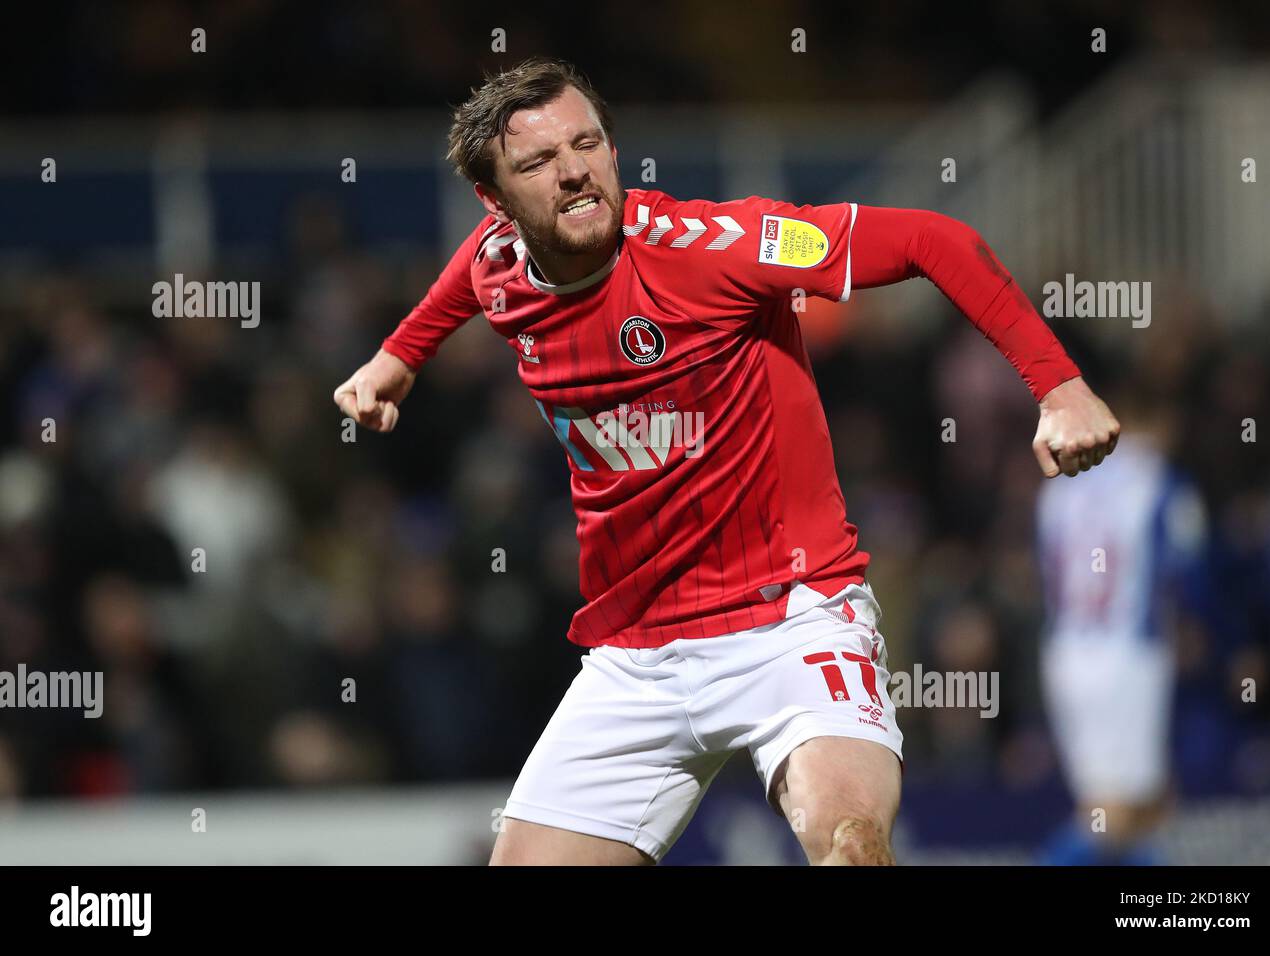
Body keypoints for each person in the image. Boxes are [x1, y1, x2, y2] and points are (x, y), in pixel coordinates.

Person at [333, 57, 1120, 865]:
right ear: (497, 202)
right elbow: (469, 276)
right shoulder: (500, 264)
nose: (573, 172)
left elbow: (931, 238)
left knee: (849, 845)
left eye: (588, 143)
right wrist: (399, 357)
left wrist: (1058, 388)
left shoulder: (718, 248)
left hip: (791, 619)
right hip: (634, 654)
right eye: (538, 162)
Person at [1037, 389, 1207, 865]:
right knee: (1121, 814)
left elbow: (1046, 572)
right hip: (1130, 654)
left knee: (1125, 809)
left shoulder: (1060, 485)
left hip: (1067, 653)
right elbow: (1189, 572)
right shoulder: (1160, 482)